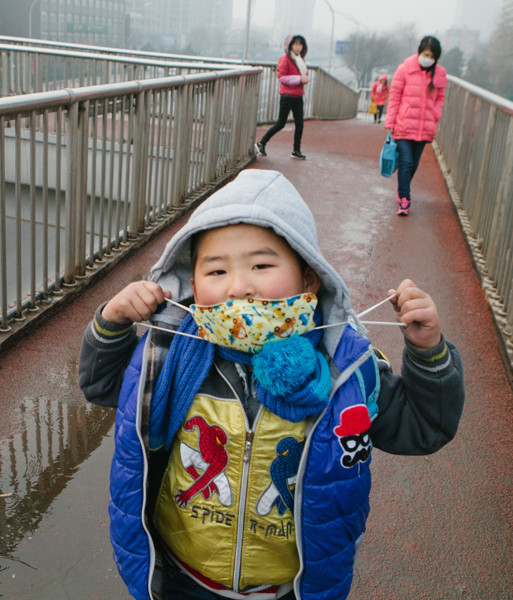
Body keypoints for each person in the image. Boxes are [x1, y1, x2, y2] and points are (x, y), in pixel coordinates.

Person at [79, 169, 465, 600]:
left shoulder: (344, 370)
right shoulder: (169, 353)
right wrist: (112, 324)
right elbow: (101, 386)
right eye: (217, 271)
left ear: (310, 278)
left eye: (261, 265)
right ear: (192, 282)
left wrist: (428, 353)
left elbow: (424, 427)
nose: (239, 287)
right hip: (182, 579)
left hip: (289, 588)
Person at [385, 36, 447, 216]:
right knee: (406, 162)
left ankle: (402, 189)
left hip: (424, 127)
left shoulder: (440, 74)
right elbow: (395, 96)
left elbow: (440, 98)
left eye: (432, 56)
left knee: (413, 164)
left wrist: (435, 114)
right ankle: (405, 199)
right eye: (426, 54)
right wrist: (390, 121)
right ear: (419, 52)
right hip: (403, 125)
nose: (428, 58)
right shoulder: (404, 69)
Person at [255, 35, 310, 160]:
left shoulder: (301, 60)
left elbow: (305, 74)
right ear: (290, 46)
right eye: (295, 44)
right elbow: (281, 77)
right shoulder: (285, 59)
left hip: (298, 95)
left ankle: (296, 150)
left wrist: (306, 79)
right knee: (281, 124)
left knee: (300, 124)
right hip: (287, 96)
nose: (298, 47)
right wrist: (300, 79)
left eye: (300, 44)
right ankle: (261, 143)